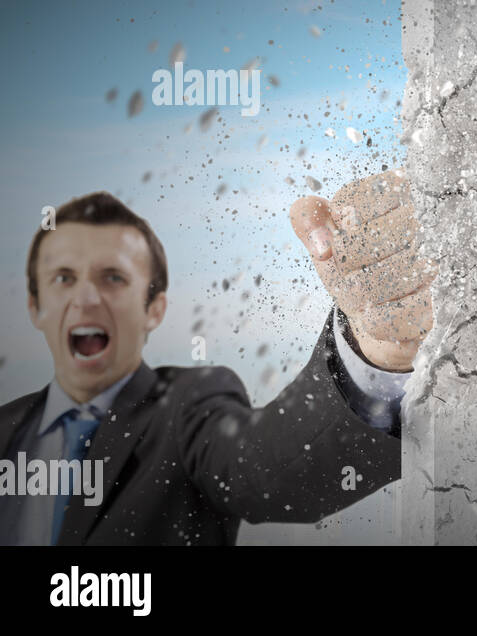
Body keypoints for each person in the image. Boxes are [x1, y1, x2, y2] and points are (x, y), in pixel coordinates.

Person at [0, 170, 434, 544]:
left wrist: (378, 348)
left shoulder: (187, 410)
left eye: (113, 277)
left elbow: (271, 474)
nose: (87, 297)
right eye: (63, 278)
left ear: (155, 309)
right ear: (35, 306)